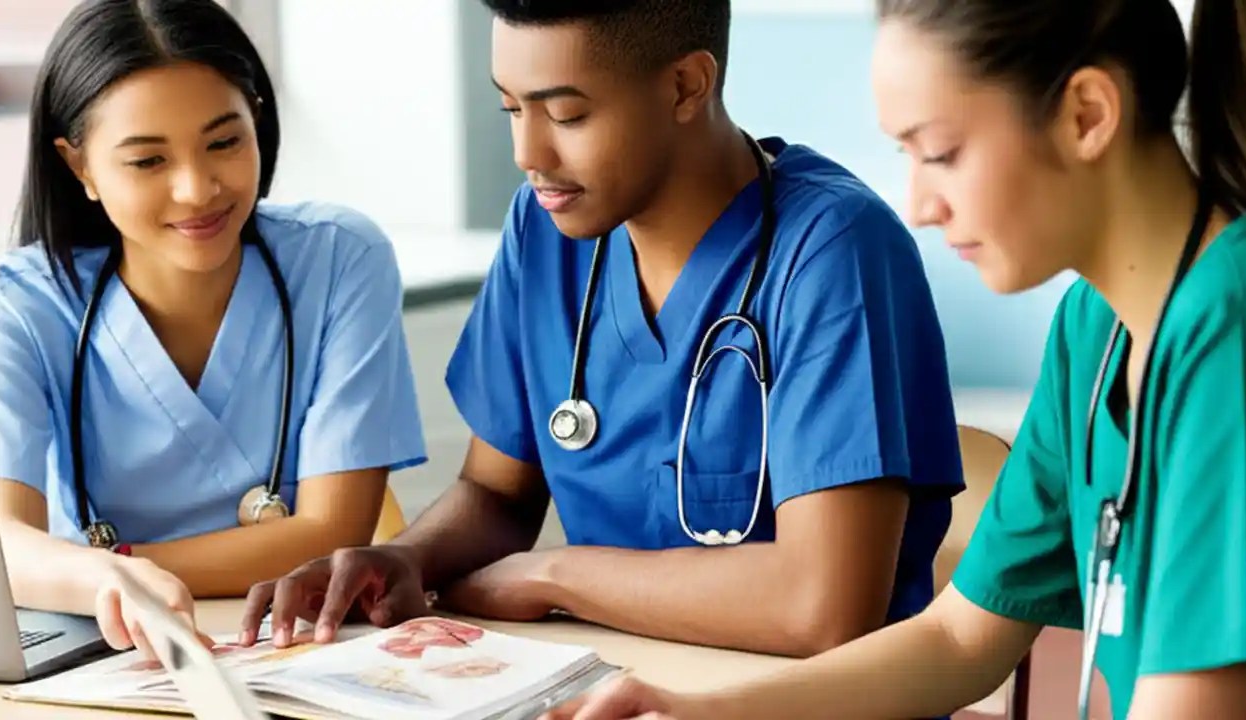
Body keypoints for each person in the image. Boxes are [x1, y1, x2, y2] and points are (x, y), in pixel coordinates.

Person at [542, 0, 1246, 717]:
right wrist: (697, 712)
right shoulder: (1095, 329)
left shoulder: (1234, 327)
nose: (918, 205)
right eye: (905, 157)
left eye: (941, 153)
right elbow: (958, 639)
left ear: (1087, 114)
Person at [242, 0, 963, 660]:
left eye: (566, 115)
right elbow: (497, 494)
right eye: (510, 109)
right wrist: (408, 557)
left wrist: (554, 575)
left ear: (685, 85)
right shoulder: (547, 228)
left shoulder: (832, 250)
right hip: (608, 686)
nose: (529, 154)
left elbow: (823, 609)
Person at [0, 0, 425, 660]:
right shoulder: (21, 303)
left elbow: (334, 528)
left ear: (258, 121)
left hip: (305, 643)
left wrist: (120, 566)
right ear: (80, 168)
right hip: (114, 649)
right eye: (147, 161)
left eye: (224, 142)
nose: (197, 189)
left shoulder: (339, 258)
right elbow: (1, 548)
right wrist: (109, 582)